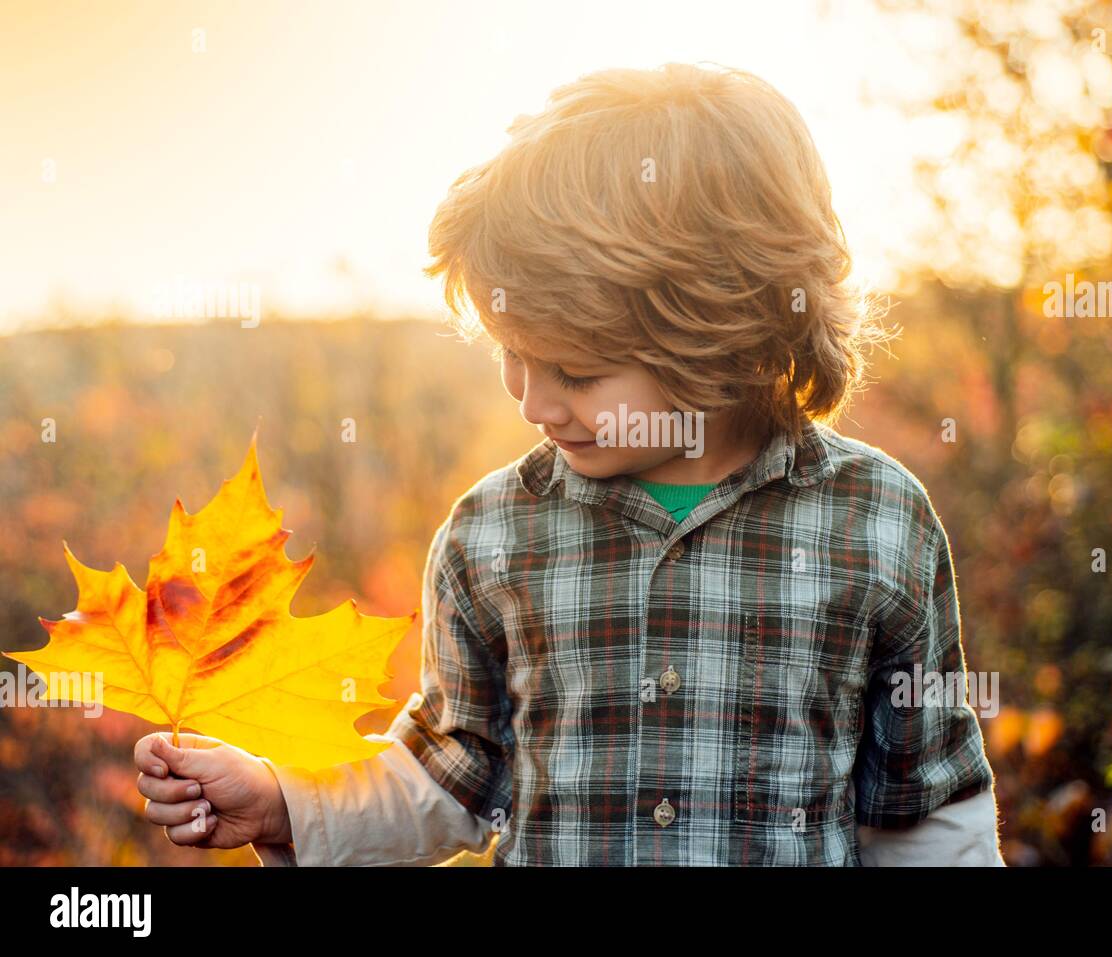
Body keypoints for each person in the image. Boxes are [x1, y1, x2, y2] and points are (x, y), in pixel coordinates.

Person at [135, 62, 1004, 866]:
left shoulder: (878, 520)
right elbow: (449, 774)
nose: (532, 402)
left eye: (576, 375)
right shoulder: (493, 534)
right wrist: (287, 802)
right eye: (510, 353)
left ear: (722, 336)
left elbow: (923, 810)